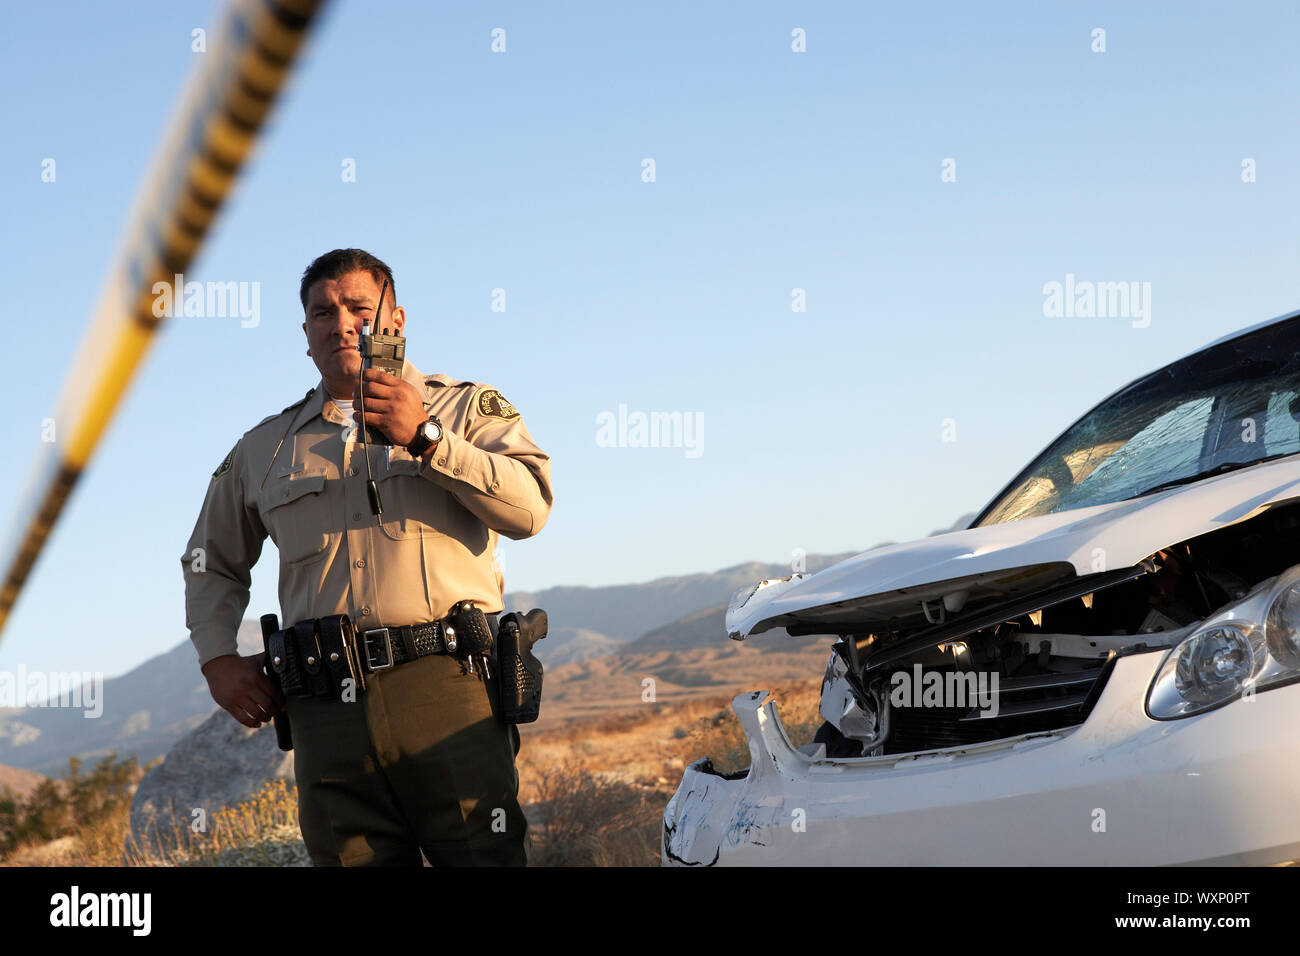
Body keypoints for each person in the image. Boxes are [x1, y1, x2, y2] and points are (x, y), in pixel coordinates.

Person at [181, 248, 553, 865]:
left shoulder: (464, 408)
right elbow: (209, 559)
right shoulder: (264, 449)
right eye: (323, 313)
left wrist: (427, 439)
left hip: (449, 688)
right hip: (325, 711)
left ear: (396, 320)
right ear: (306, 336)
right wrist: (216, 657)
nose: (342, 323)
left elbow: (531, 508)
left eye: (359, 307)